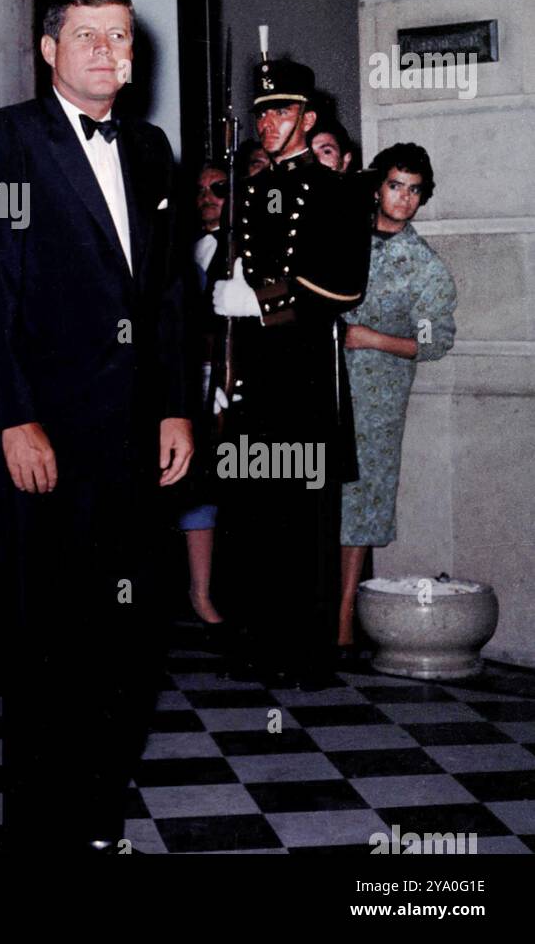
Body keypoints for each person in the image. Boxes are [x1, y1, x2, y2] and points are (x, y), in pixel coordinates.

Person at [0, 0, 194, 853]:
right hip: (46, 436)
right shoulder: (4, 140)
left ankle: (97, 818)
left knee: (128, 636)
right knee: (47, 639)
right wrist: (11, 418)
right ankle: (40, 833)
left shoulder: (151, 148)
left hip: (134, 438)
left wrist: (175, 408)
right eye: (88, 36)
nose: (108, 51)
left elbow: (169, 293)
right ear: (49, 50)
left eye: (121, 36)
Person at [212, 52, 372, 687]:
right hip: (251, 373)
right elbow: (229, 273)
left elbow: (345, 285)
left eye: (282, 111)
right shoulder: (247, 190)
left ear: (308, 117)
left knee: (303, 518)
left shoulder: (339, 193)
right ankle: (255, 642)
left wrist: (263, 300)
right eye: (263, 113)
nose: (270, 122)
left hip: (303, 374)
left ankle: (306, 654)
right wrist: (223, 358)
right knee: (253, 513)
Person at [339, 144, 456, 652]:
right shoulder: (343, 240)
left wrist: (371, 339)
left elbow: (434, 341)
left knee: (360, 505)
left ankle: (343, 621)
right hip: (324, 385)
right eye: (395, 186)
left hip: (377, 399)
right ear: (377, 187)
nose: (404, 198)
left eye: (413, 190)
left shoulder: (424, 267)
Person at [177, 163, 227, 628]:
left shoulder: (242, 247)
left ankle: (205, 591)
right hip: (181, 380)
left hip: (225, 382)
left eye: (219, 190)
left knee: (211, 485)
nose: (208, 198)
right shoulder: (174, 246)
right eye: (200, 191)